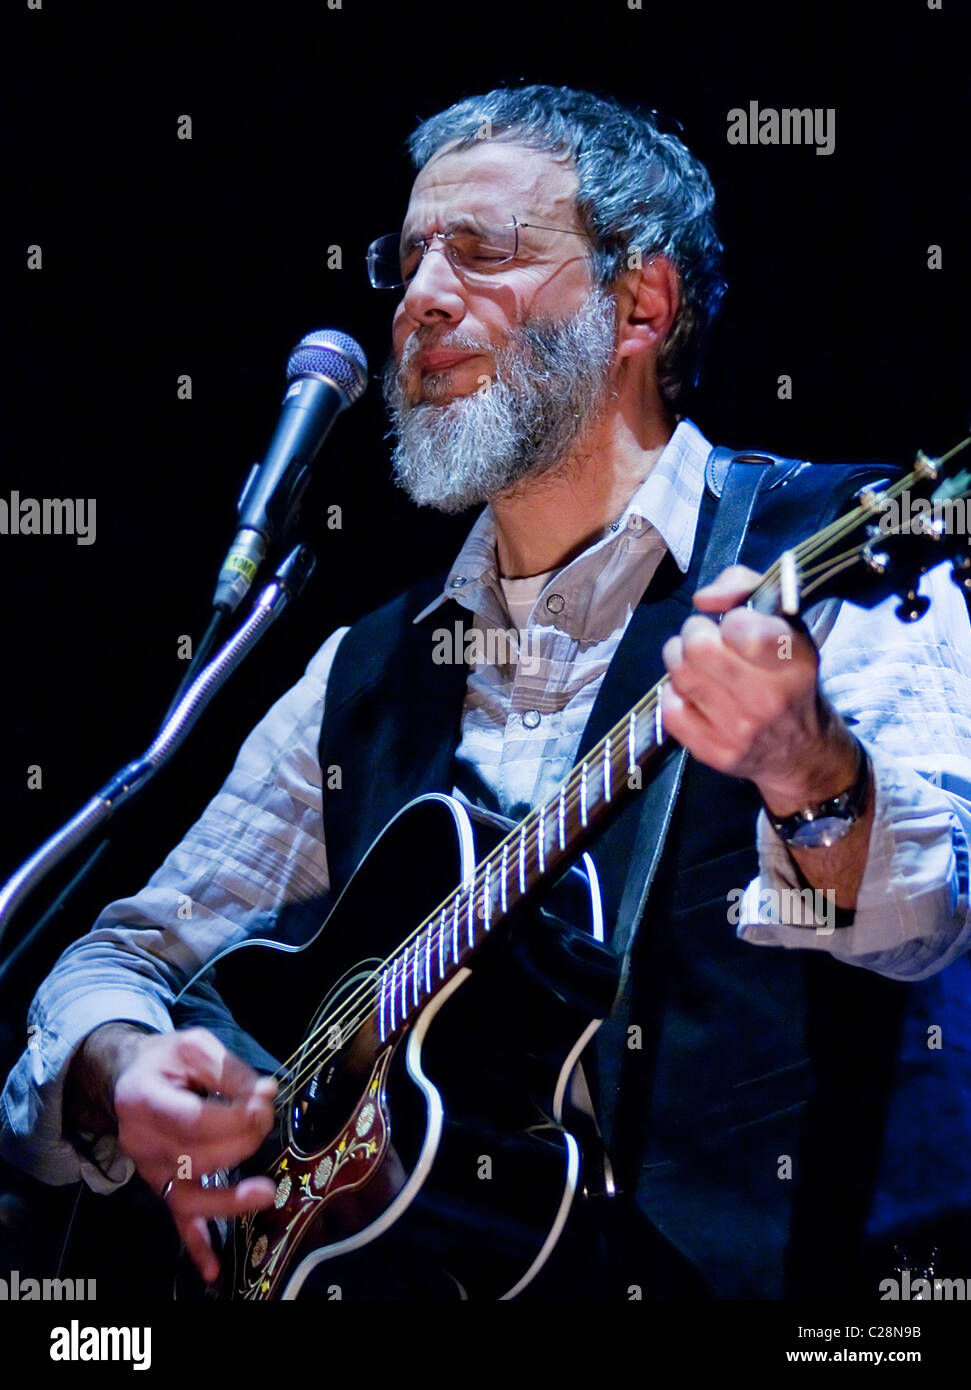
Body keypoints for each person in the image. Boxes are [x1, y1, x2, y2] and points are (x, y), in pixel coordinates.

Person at [3, 84, 971, 1300]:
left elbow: (923, 917)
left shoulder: (817, 554)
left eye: (481, 250)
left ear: (639, 302)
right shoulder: (360, 670)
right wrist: (121, 1067)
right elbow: (126, 951)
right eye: (407, 258)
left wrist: (807, 772)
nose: (419, 297)